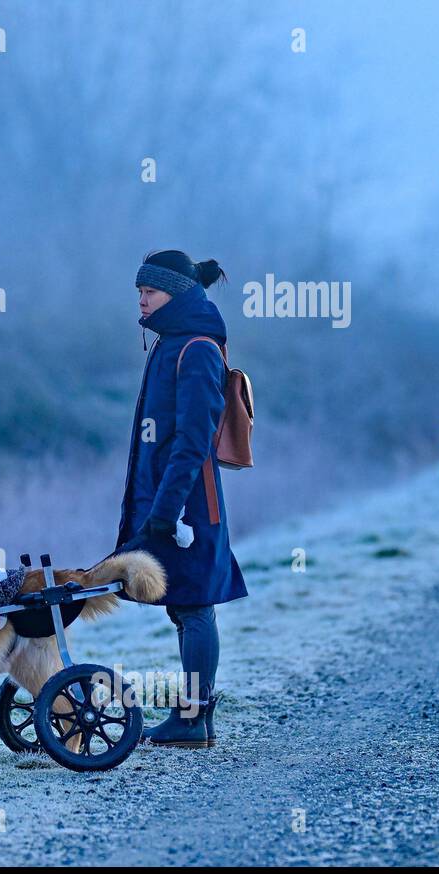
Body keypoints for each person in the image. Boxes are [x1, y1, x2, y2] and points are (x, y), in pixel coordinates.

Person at [117, 249, 248, 748]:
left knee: (193, 606)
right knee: (185, 607)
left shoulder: (196, 349)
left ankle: (193, 719)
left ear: (175, 293)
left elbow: (194, 441)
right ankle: (195, 720)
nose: (142, 300)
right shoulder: (171, 342)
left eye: (149, 291)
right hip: (171, 500)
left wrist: (166, 511)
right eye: (140, 292)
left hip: (189, 505)